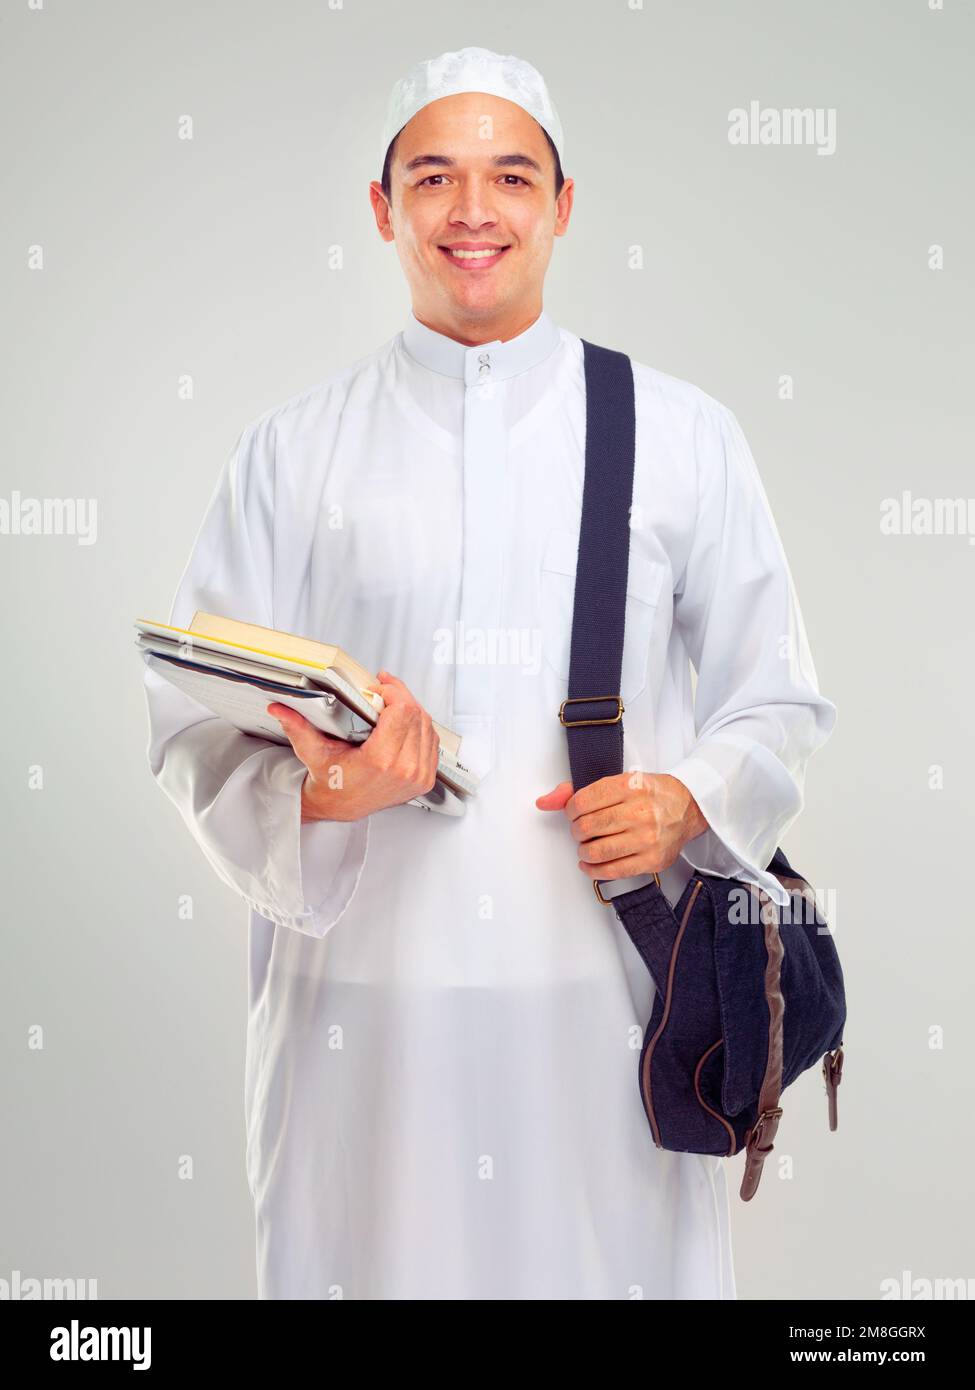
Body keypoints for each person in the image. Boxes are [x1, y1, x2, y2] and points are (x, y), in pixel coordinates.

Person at [143, 45, 836, 1300]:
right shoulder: (289, 455)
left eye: (511, 176)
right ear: (382, 207)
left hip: (612, 1012)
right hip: (362, 1024)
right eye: (435, 177)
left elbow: (778, 701)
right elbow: (195, 727)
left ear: (564, 205)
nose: (473, 212)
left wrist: (686, 798)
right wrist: (329, 794)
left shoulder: (680, 436)